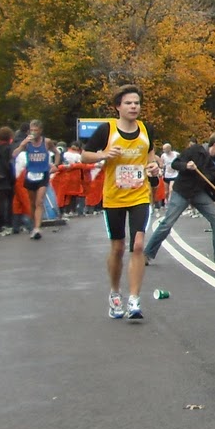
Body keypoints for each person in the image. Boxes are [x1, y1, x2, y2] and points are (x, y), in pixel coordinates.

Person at [80, 85, 161, 319]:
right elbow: (85, 155)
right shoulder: (107, 130)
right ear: (118, 107)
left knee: (137, 246)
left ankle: (134, 299)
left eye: (136, 103)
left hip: (139, 195)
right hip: (114, 196)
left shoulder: (147, 129)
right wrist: (103, 155)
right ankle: (115, 293)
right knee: (117, 248)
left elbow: (150, 155)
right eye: (128, 103)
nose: (134, 106)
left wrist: (153, 167)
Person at [144, 132, 215, 264]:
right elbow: (175, 164)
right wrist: (186, 166)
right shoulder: (196, 151)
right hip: (183, 191)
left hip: (199, 193)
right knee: (167, 223)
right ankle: (147, 254)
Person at [16, 120, 52, 239]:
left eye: (36, 130)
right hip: (30, 174)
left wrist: (55, 164)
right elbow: (14, 155)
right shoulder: (27, 143)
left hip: (43, 174)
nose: (33, 132)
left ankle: (37, 228)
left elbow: (57, 153)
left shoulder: (46, 142)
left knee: (39, 201)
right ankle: (33, 226)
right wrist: (22, 145)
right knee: (32, 203)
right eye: (31, 130)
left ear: (40, 131)